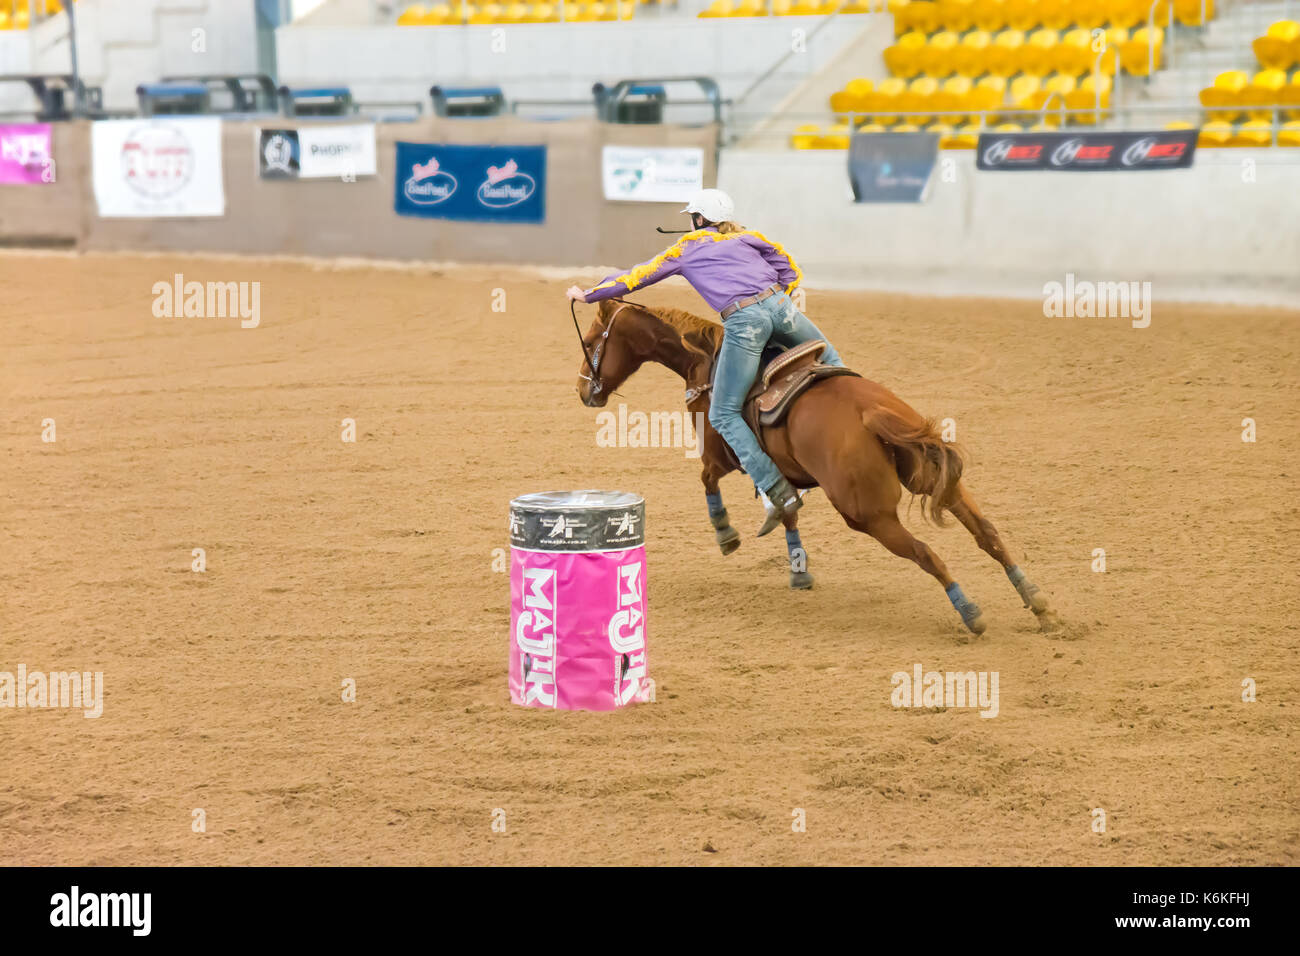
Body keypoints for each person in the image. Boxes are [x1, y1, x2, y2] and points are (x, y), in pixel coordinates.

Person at [566, 188, 843, 526]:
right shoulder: (747, 237)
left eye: (692, 217)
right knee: (833, 361)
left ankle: (777, 488)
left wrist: (588, 294)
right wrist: (778, 295)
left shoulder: (687, 249)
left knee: (723, 413)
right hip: (783, 308)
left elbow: (636, 277)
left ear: (699, 219)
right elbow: (788, 266)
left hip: (745, 321)